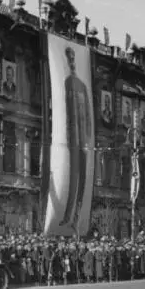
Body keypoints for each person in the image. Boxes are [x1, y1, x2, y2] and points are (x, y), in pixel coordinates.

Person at [58, 46, 92, 230]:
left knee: (83, 181)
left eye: (72, 59)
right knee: (73, 179)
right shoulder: (65, 83)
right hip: (72, 139)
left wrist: (87, 139)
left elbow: (87, 114)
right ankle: (67, 216)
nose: (71, 62)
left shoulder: (82, 86)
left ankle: (76, 219)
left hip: (82, 141)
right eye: (68, 59)